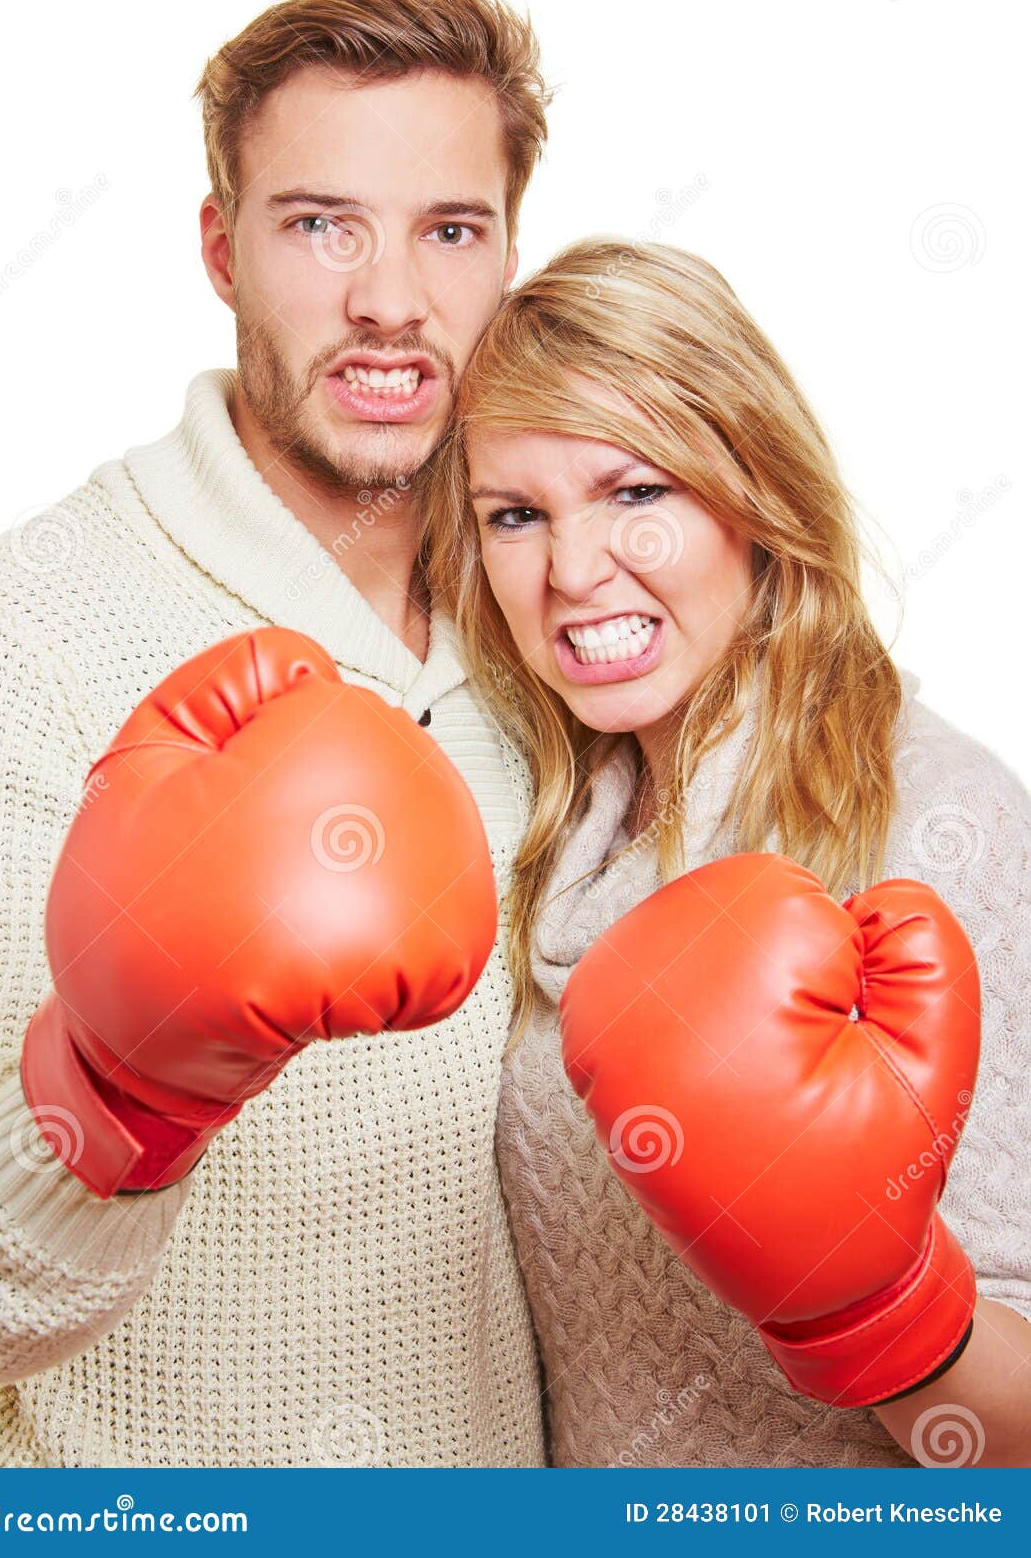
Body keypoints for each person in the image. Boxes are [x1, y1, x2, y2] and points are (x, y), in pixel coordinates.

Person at [0, 0, 553, 1467]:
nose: (389, 301)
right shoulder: (23, 631)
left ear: (505, 253)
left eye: (448, 230)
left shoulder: (553, 613)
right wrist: (121, 1081)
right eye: (319, 224)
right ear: (221, 250)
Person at [424, 238, 1031, 1468]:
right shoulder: (549, 834)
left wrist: (876, 1299)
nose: (573, 569)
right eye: (517, 515)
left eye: (635, 492)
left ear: (751, 487)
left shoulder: (929, 823)